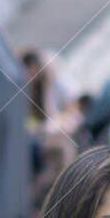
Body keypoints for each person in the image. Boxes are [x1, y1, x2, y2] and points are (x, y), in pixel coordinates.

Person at [21, 47, 83, 206]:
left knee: (57, 153)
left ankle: (42, 199)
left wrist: (53, 124)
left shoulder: (59, 83)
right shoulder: (35, 88)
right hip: (48, 136)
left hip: (64, 135)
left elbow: (73, 112)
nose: (29, 76)